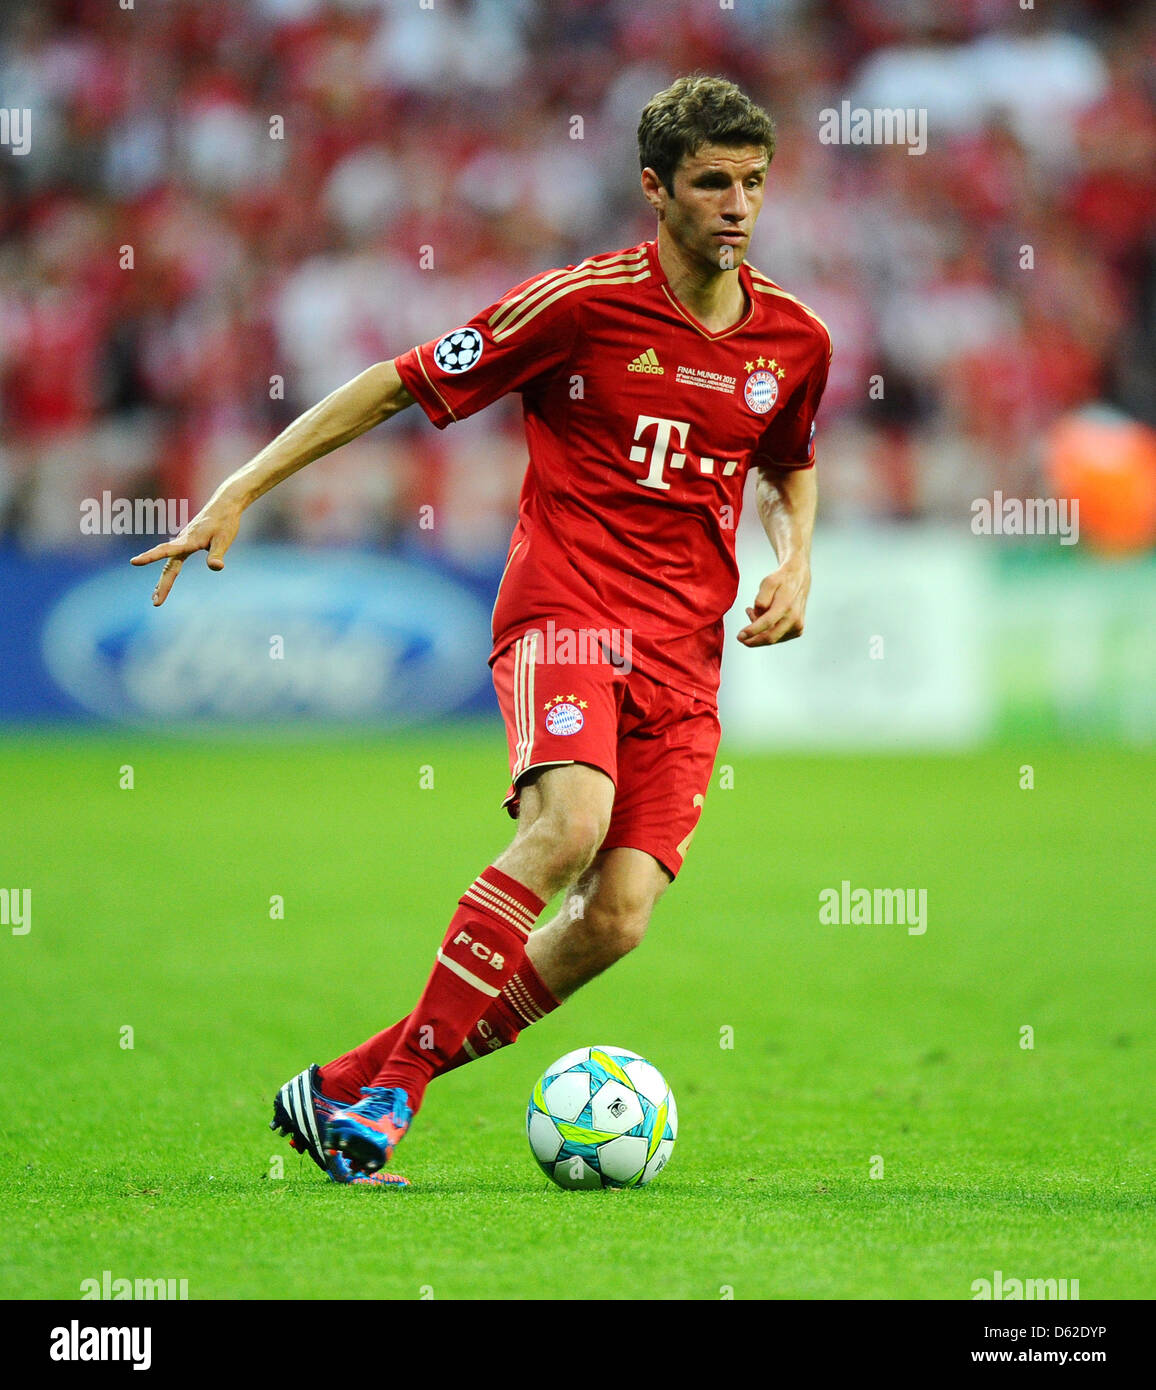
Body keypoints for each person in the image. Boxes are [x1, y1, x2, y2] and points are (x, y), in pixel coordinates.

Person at [131, 74, 832, 1188]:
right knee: (567, 826)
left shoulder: (794, 337)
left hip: (685, 657)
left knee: (616, 920)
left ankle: (352, 1079)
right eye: (712, 183)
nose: (737, 204)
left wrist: (796, 557)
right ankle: (392, 1100)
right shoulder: (578, 306)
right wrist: (240, 489)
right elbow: (394, 384)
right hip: (568, 613)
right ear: (654, 189)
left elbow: (787, 455)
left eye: (752, 182)